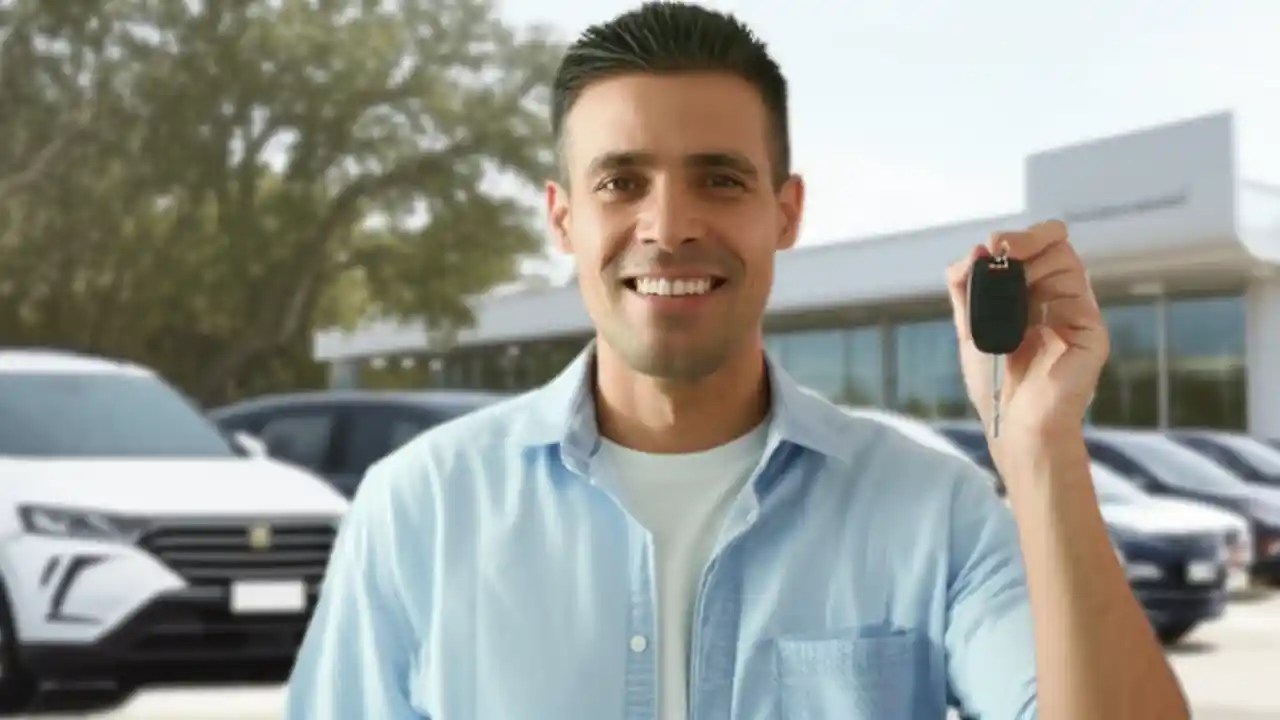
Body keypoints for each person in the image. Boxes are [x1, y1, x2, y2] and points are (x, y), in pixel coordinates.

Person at [285, 3, 1190, 718]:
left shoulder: (932, 514)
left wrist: (1042, 455)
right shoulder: (419, 509)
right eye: (621, 182)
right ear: (563, 218)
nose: (670, 226)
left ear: (785, 211)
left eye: (719, 179)